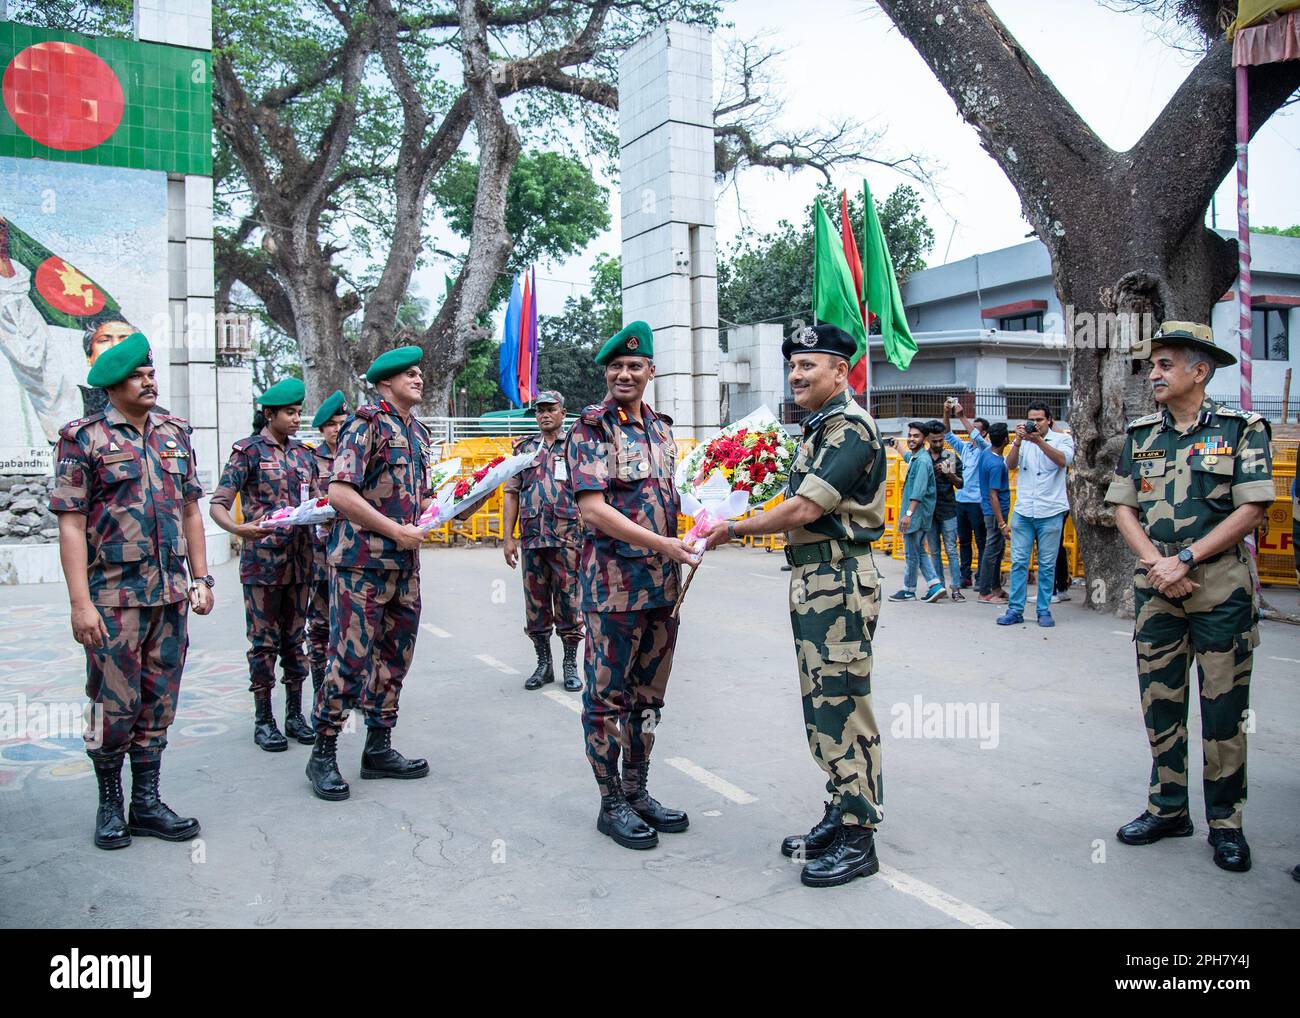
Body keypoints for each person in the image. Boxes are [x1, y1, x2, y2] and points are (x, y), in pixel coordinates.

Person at [704, 323, 887, 887]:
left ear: (841, 371)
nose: (798, 374)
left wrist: (732, 527)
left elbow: (806, 508)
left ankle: (861, 836)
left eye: (811, 365)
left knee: (842, 701)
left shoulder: (848, 429)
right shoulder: (820, 428)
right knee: (822, 702)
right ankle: (841, 806)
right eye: (793, 365)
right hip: (815, 576)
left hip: (838, 575)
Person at [1105, 322, 1273, 874]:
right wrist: (1159, 564)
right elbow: (1123, 507)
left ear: (1199, 372)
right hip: (1158, 588)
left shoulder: (1242, 429)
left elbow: (1252, 509)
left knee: (1223, 709)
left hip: (1218, 586)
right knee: (1160, 702)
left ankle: (1226, 823)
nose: (1153, 373)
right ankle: (1168, 807)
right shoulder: (1142, 434)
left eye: (1166, 364)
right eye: (1152, 364)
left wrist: (1187, 559)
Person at [50, 332, 214, 850]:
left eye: (151, 373)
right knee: (111, 706)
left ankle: (145, 802)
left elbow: (191, 509)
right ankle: (108, 802)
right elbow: (71, 524)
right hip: (113, 599)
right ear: (112, 385)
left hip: (168, 597)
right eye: (138, 376)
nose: (149, 381)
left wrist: (202, 577)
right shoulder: (84, 438)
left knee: (158, 703)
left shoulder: (175, 432)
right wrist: (80, 604)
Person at [566, 321, 701, 850]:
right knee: (606, 699)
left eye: (635, 366)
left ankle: (637, 789)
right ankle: (610, 803)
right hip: (612, 588)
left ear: (651, 372)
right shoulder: (590, 429)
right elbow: (591, 508)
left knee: (648, 697)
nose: (625, 373)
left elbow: (674, 501)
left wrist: (706, 525)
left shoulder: (662, 430)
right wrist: (662, 544)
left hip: (663, 589)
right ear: (607, 372)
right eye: (616, 366)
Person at [307, 346, 434, 801]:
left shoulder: (416, 431)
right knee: (350, 658)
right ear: (387, 382)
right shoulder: (365, 424)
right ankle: (323, 752)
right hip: (362, 564)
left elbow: (421, 501)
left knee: (395, 657)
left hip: (404, 567)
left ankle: (378, 748)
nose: (419, 380)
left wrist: (461, 503)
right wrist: (394, 530)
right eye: (411, 375)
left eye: (421, 374)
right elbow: (341, 493)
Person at [210, 379, 316, 751]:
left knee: (295, 641)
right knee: (263, 644)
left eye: (299, 412)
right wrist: (238, 529)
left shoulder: (305, 454)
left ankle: (294, 715)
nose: (297, 418)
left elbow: (318, 500)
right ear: (269, 414)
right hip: (263, 565)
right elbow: (218, 502)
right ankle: (263, 719)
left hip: (301, 562)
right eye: (290, 413)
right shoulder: (248, 452)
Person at [502, 389, 584, 692]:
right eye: (539, 410)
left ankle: (570, 664)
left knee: (569, 602)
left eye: (551, 409)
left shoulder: (574, 446)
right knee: (535, 604)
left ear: (563, 412)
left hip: (568, 539)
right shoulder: (524, 449)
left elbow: (589, 494)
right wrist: (508, 537)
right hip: (533, 539)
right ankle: (543, 664)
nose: (545, 415)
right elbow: (511, 494)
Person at [997, 400, 1075, 628]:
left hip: (1050, 511)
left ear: (1049, 420)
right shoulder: (1024, 441)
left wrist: (1039, 441)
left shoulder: (1063, 439)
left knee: (1047, 564)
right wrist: (1019, 441)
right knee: (1019, 562)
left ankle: (1043, 609)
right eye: (1032, 420)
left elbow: (1063, 461)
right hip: (1023, 511)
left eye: (1040, 419)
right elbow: (1009, 465)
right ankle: (1015, 609)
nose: (1035, 424)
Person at [305, 390, 348, 714]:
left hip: (352, 557)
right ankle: (321, 690)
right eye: (330, 424)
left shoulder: (359, 454)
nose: (337, 428)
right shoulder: (310, 460)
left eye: (341, 421)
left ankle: (350, 691)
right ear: (322, 429)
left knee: (351, 627)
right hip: (319, 558)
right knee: (320, 626)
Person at [888, 422, 944, 603]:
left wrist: (908, 515)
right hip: (919, 513)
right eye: (910, 435)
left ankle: (909, 590)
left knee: (911, 553)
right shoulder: (917, 458)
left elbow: (918, 492)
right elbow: (908, 458)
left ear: (924, 439)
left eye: (916, 436)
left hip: (916, 514)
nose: (912, 439)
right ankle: (935, 584)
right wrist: (898, 447)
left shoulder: (921, 461)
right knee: (918, 550)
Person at [944, 402, 990, 590]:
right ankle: (965, 575)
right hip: (961, 500)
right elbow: (947, 435)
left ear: (984, 433)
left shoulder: (984, 448)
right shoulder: (965, 448)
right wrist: (946, 414)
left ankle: (982, 576)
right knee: (963, 541)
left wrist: (963, 417)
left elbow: (977, 439)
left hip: (977, 502)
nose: (972, 432)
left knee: (981, 541)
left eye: (977, 430)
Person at [922, 419, 964, 600]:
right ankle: (939, 587)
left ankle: (956, 588)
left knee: (952, 550)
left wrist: (949, 473)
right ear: (927, 440)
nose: (938, 444)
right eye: (934, 441)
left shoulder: (950, 456)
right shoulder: (922, 458)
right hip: (929, 512)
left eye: (941, 440)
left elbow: (960, 484)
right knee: (934, 550)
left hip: (948, 509)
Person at [976, 423, 1011, 605]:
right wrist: (1002, 523)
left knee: (997, 551)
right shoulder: (996, 464)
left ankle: (995, 587)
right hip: (995, 512)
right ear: (1006, 439)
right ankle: (985, 591)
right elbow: (993, 494)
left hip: (990, 511)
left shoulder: (986, 455)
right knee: (991, 551)